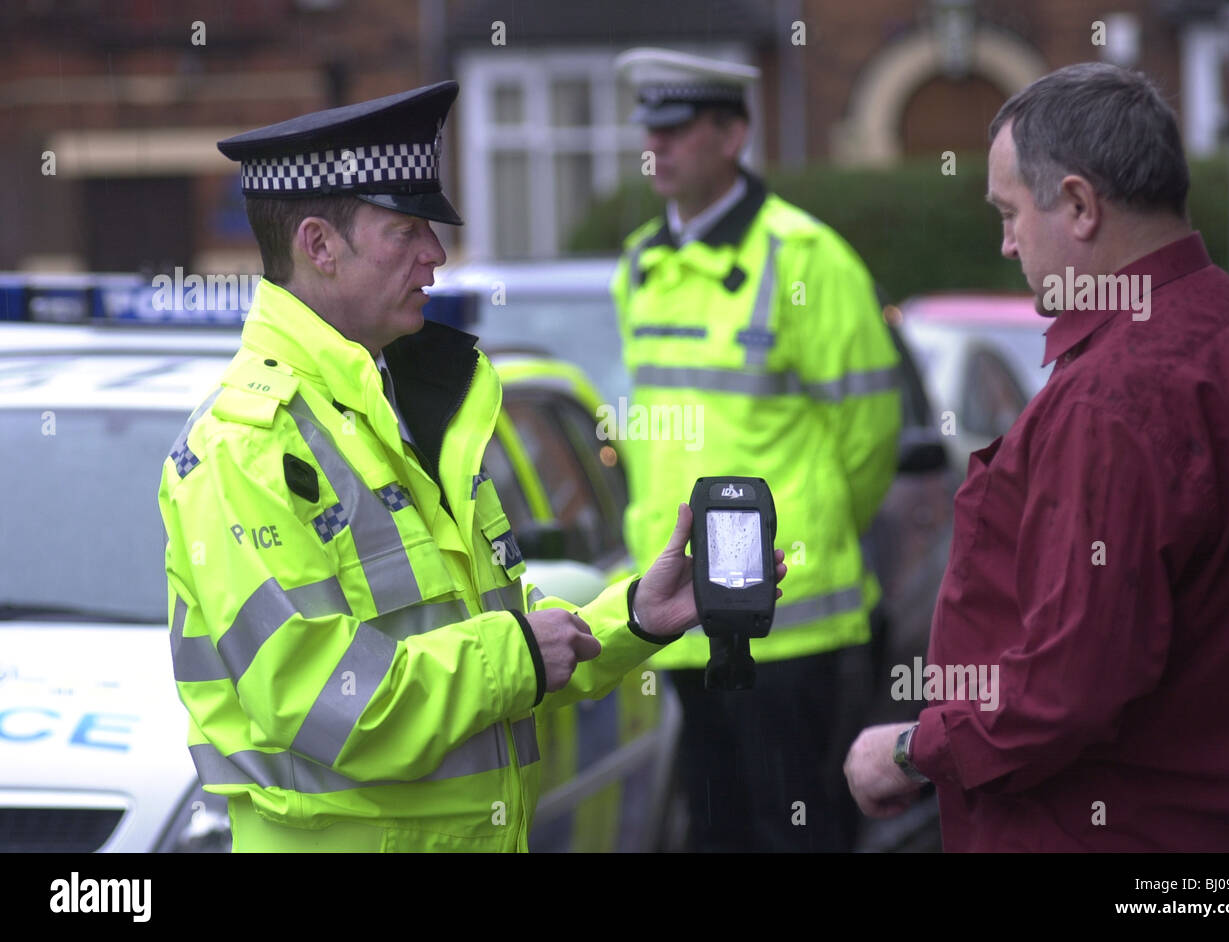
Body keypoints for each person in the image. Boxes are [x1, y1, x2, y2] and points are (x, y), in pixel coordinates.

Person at [157, 83, 782, 852]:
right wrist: (516, 652)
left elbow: (504, 650)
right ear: (318, 245)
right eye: (406, 231)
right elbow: (325, 698)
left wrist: (636, 619)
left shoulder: (396, 409)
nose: (436, 255)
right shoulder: (248, 446)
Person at [843, 62, 1229, 851]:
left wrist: (911, 751)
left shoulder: (1115, 398)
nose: (1006, 240)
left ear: (1081, 205)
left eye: (1011, 212)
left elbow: (1067, 689)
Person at [611, 48, 902, 852]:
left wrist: (810, 527)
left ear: (733, 133)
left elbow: (870, 438)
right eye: (649, 131)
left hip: (792, 620)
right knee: (713, 831)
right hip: (678, 614)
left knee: (796, 831)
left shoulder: (807, 258)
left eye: (676, 130)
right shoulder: (639, 264)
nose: (656, 149)